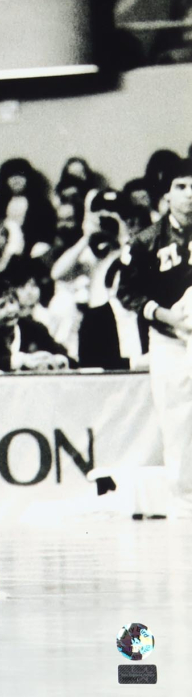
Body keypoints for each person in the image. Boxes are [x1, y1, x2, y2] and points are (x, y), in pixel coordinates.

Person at [118, 159, 192, 516]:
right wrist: (163, 314)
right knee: (177, 421)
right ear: (166, 195)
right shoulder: (147, 241)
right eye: (181, 187)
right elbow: (127, 292)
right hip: (170, 340)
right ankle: (183, 502)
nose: (190, 194)